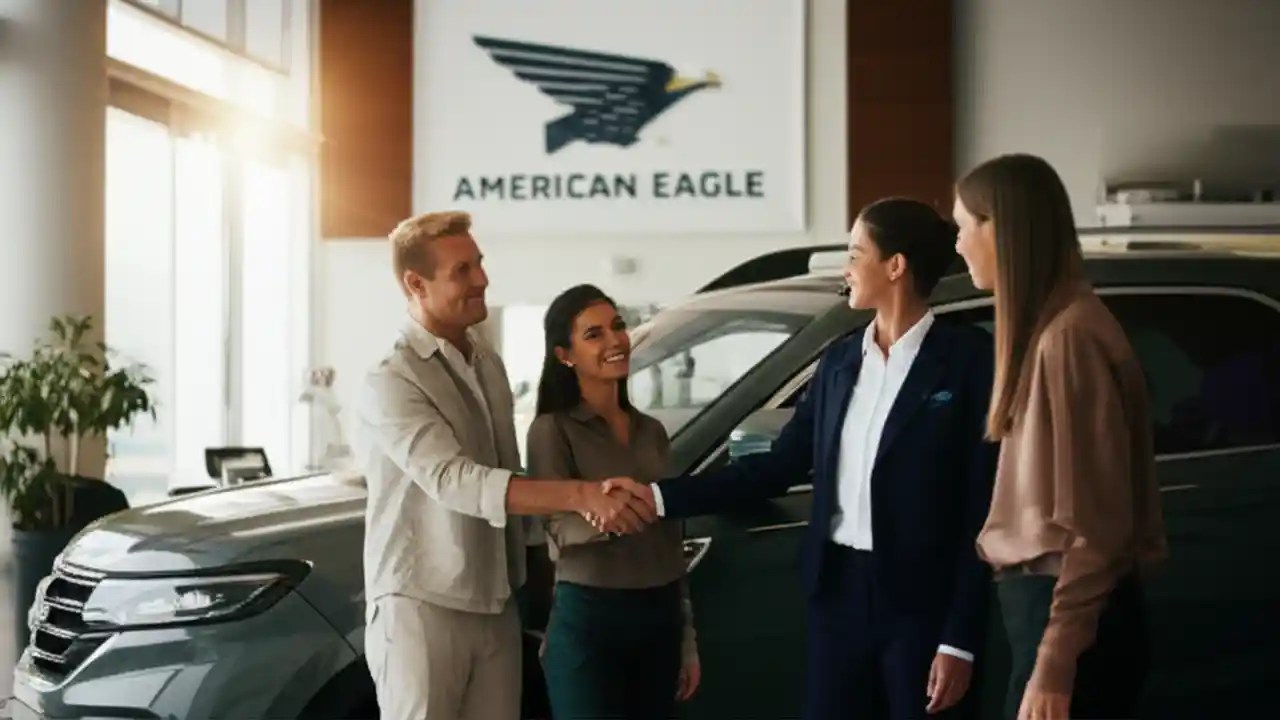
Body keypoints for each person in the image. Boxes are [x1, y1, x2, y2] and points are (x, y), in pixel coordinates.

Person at [622, 198, 999, 719]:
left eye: (855, 252)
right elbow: (777, 466)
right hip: (839, 591)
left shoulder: (969, 363)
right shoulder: (841, 361)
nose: (847, 267)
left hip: (924, 602)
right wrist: (660, 496)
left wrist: (960, 639)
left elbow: (981, 511)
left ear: (895, 266)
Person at [355, 211, 656, 720]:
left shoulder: (485, 360)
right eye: (463, 271)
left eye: (480, 263)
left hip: (495, 603)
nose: (482, 280)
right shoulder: (392, 378)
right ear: (415, 283)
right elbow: (454, 480)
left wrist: (539, 580)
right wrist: (581, 495)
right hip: (421, 606)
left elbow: (507, 466)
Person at [952, 154, 1168, 720]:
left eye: (962, 227)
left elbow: (1095, 529)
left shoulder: (1068, 338)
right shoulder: (1057, 328)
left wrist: (1054, 662)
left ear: (998, 227)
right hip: (1051, 616)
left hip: (1067, 619)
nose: (957, 244)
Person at [525, 284, 700, 720]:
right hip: (590, 618)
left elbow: (670, 542)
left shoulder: (653, 430)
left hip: (660, 618)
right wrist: (608, 517)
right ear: (565, 355)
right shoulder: (552, 430)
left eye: (617, 327)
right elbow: (553, 526)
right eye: (594, 334)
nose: (615, 341)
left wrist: (687, 639)